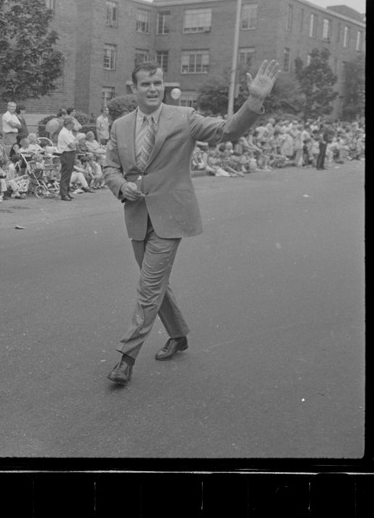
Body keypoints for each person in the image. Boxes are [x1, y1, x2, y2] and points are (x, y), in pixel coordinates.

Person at [103, 59, 280, 386]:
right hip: (138, 215)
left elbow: (226, 130)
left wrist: (254, 100)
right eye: (146, 84)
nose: (154, 89)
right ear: (134, 88)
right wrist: (120, 185)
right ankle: (179, 335)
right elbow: (110, 167)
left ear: (164, 84)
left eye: (158, 82)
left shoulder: (184, 118)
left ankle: (126, 358)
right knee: (154, 285)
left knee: (148, 287)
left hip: (172, 216)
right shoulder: (120, 126)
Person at [56, 117, 79, 201]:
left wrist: (75, 142)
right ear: (68, 124)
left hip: (71, 153)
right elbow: (72, 145)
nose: (73, 125)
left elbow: (75, 141)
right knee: (65, 174)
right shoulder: (64, 133)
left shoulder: (68, 132)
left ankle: (67, 192)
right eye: (72, 124)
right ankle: (63, 194)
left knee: (69, 173)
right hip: (66, 154)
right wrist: (75, 142)